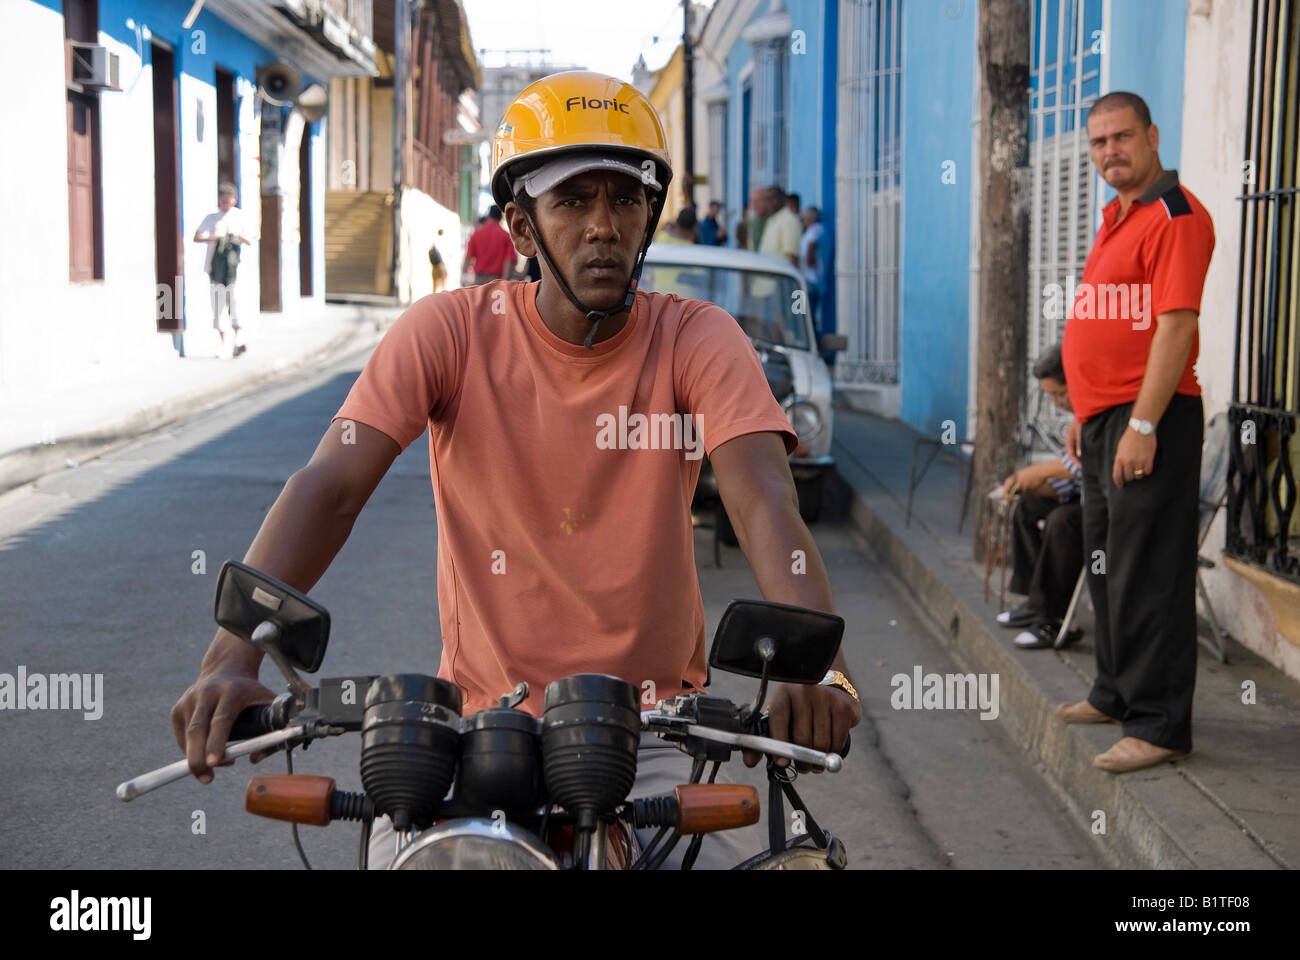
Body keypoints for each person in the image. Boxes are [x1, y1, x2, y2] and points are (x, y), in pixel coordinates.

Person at [170, 71, 860, 869]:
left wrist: (820, 667)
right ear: (521, 229)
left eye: (626, 200)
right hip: (477, 728)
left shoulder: (698, 339)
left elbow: (764, 496)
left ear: (647, 220)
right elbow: (328, 489)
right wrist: (231, 659)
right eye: (573, 201)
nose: (604, 226)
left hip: (655, 730)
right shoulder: (448, 333)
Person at [1056, 92, 1215, 774]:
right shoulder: (1119, 214)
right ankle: (1116, 691)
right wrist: (1084, 414)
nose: (1109, 151)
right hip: (1104, 421)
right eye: (1097, 142)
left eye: (1121, 137)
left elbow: (1175, 326)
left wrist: (1141, 424)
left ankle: (1159, 724)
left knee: (1149, 571)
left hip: (1152, 418)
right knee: (1106, 563)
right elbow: (1107, 321)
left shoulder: (1176, 216)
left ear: (1152, 136)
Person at [996, 344, 1084, 649]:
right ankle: (1035, 602)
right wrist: (1030, 483)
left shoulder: (1105, 408)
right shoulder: (1080, 420)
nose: (1058, 404)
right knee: (1028, 505)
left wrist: (1043, 469)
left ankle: (1054, 618)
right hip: (1088, 499)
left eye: (1061, 394)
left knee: (1064, 521)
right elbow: (1070, 483)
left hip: (1116, 511)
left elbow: (1093, 468)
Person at [193, 183, 253, 359]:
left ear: (234, 200)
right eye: (222, 200)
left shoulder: (240, 217)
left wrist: (237, 235)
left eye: (228, 200)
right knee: (218, 306)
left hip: (235, 269)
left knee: (236, 303)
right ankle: (223, 343)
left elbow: (250, 239)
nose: (225, 204)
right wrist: (214, 237)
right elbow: (197, 236)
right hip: (215, 268)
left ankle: (238, 340)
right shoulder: (212, 218)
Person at [464, 206, 517, 284]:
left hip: (479, 280)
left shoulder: (477, 233)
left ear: (489, 216)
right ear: (501, 218)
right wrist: (504, 281)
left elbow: (468, 257)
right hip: (497, 281)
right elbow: (509, 260)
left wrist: (464, 275)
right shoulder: (506, 236)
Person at [755, 187, 801, 268]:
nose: (770, 202)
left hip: (779, 278)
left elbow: (793, 259)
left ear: (783, 199)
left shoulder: (789, 220)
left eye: (773, 198)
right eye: (767, 199)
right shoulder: (771, 220)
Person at [799, 206, 826, 332]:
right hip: (807, 280)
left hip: (811, 281)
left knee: (805, 315)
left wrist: (809, 259)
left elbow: (812, 243)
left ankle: (810, 340)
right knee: (802, 313)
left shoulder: (817, 229)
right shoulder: (812, 230)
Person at [429, 229, 448, 293]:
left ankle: (433, 299)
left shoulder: (434, 242)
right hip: (441, 265)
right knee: (443, 284)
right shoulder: (443, 241)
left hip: (434, 266)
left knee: (434, 286)